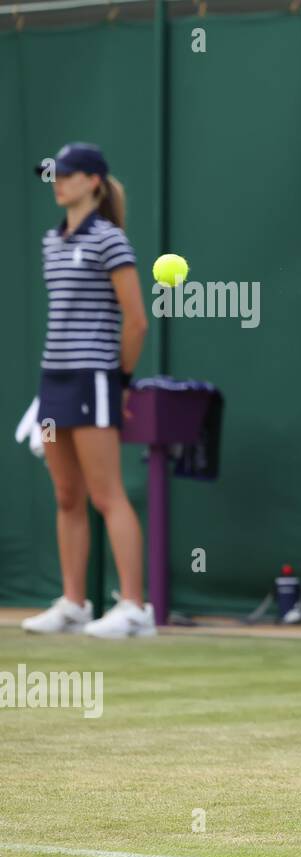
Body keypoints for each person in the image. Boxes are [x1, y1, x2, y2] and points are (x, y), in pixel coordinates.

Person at [21, 143, 155, 639]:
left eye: (68, 174)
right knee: (66, 495)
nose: (58, 181)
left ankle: (136, 608)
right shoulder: (49, 242)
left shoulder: (110, 241)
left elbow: (136, 320)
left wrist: (118, 380)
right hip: (52, 381)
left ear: (93, 181)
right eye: (54, 174)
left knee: (106, 494)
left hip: (94, 378)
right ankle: (74, 603)